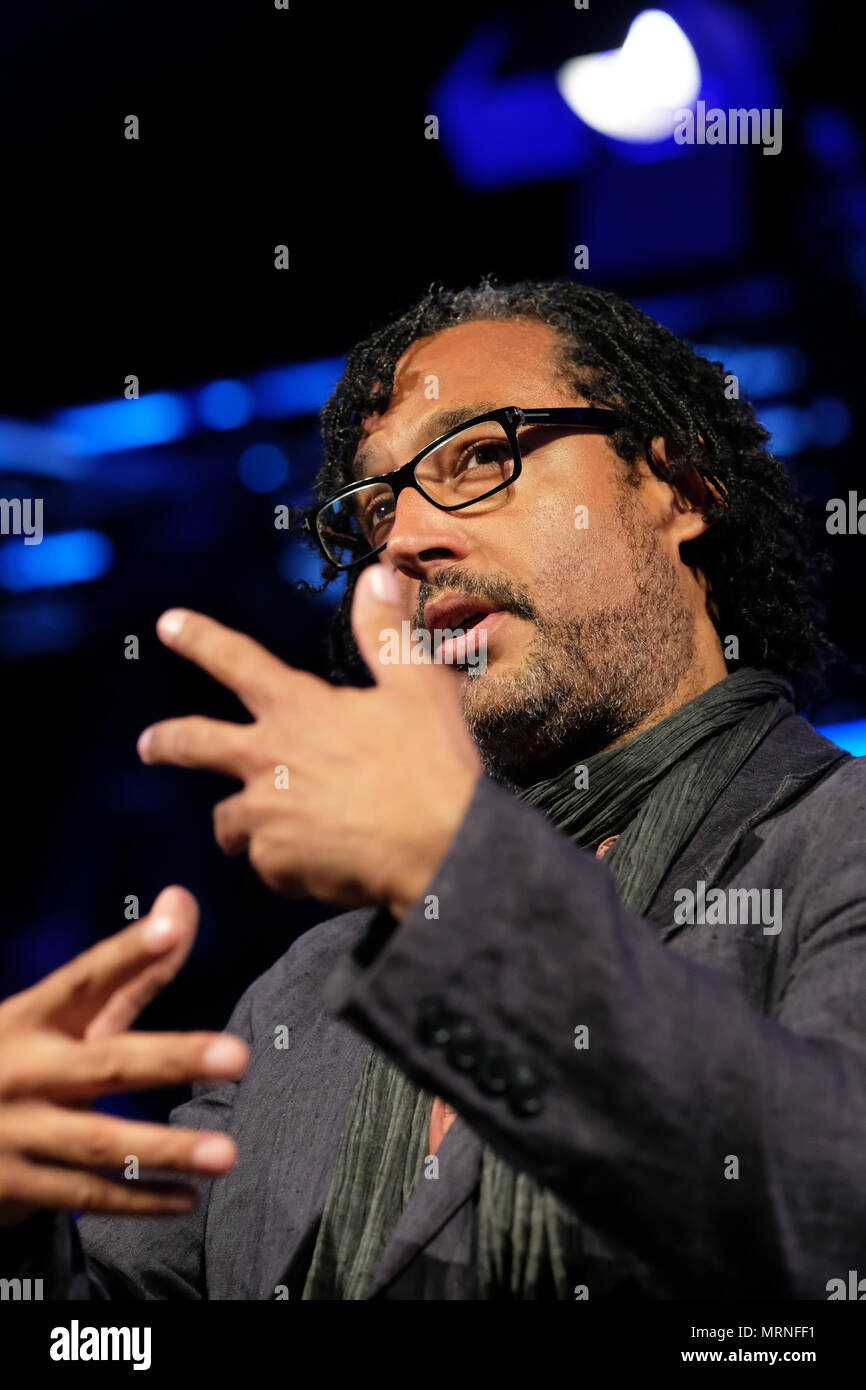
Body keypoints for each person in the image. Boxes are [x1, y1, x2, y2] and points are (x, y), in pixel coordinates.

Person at [2, 279, 864, 1300]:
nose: (406, 538)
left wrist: (456, 879)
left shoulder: (835, 839)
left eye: (483, 455)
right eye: (376, 508)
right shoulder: (304, 992)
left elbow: (834, 1208)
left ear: (679, 485)